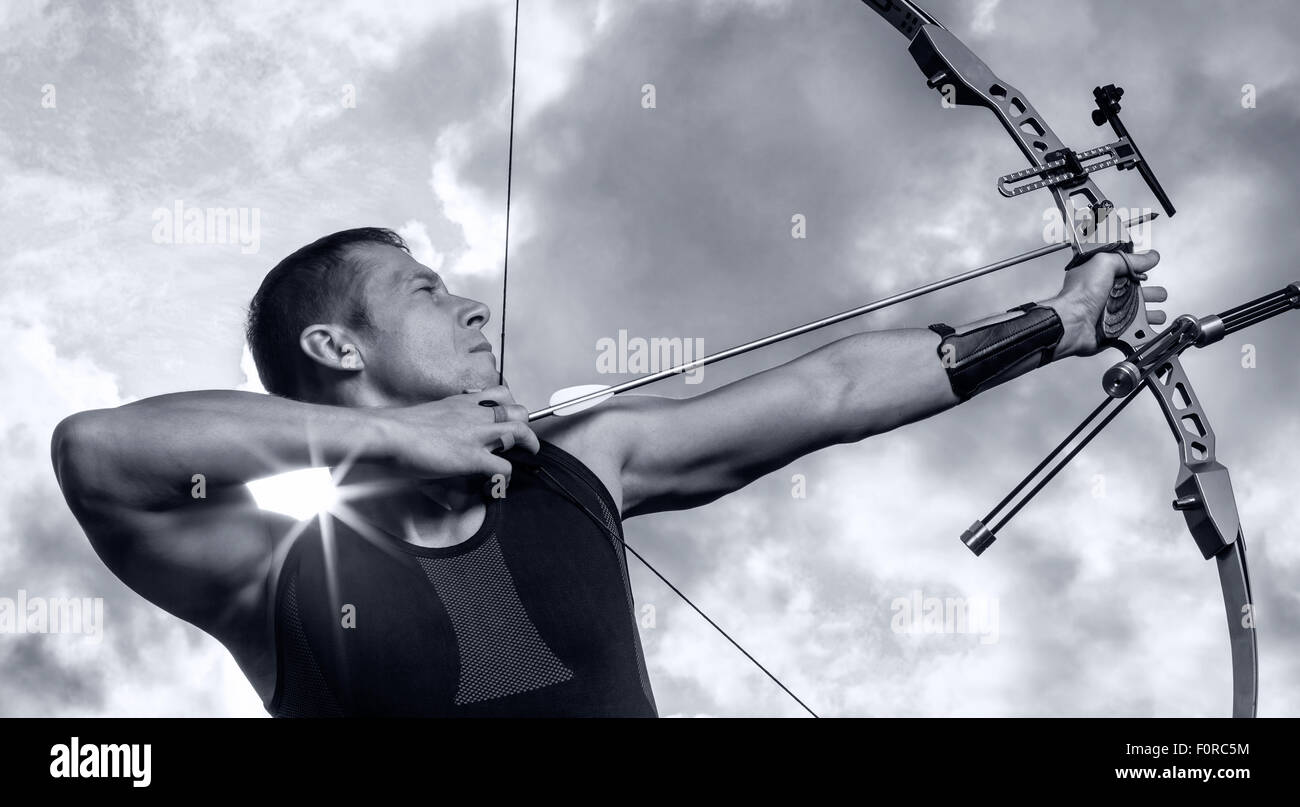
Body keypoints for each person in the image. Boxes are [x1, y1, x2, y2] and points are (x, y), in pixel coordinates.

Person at [49, 227, 1157, 716]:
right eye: (424, 291)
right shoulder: (273, 572)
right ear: (336, 349)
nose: (472, 303)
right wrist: (390, 442)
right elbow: (98, 453)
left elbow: (827, 395)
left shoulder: (582, 463)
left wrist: (1057, 324)